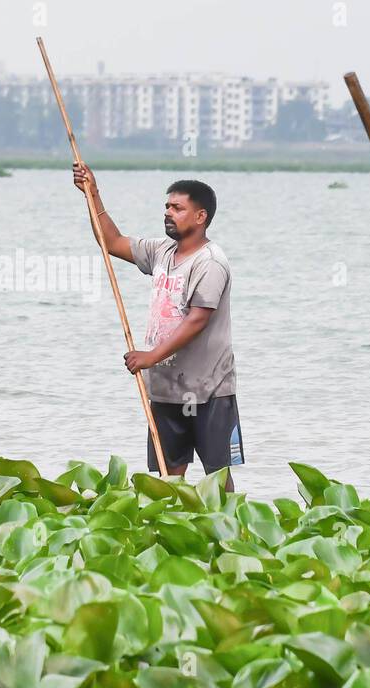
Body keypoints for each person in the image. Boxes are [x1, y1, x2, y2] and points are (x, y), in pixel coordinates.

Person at [72, 164, 242, 490]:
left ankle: (229, 526)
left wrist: (149, 357)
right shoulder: (162, 251)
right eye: (167, 206)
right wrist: (92, 193)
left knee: (216, 475)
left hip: (209, 388)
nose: (168, 212)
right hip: (165, 387)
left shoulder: (210, 261)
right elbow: (112, 242)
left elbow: (197, 320)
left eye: (177, 208)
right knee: (169, 473)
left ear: (200, 216)